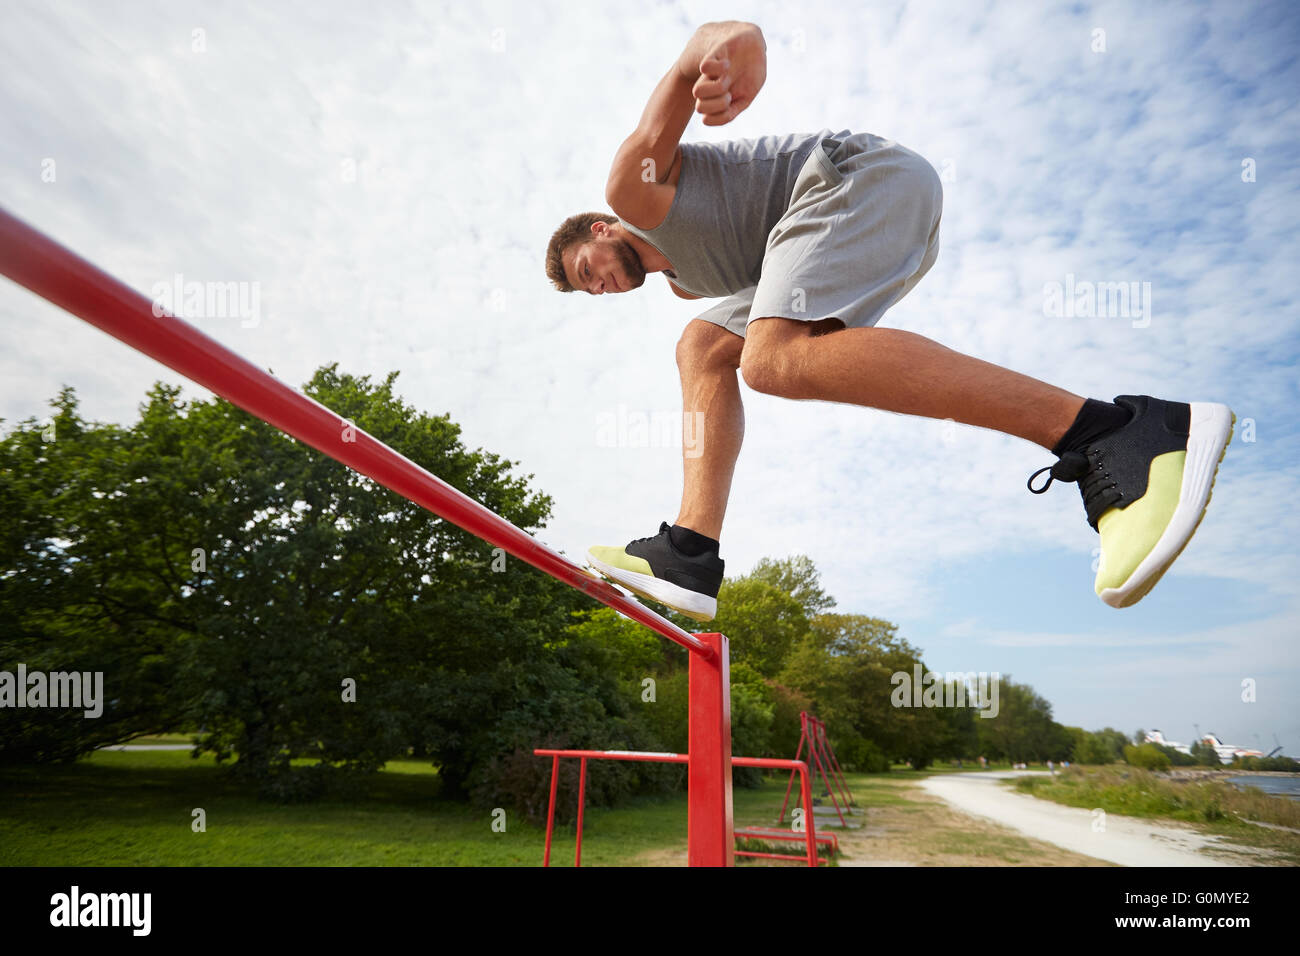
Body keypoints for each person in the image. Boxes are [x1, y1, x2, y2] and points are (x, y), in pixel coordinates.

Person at [544, 20, 1233, 622]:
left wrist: (730, 52)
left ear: (604, 229)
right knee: (702, 345)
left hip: (855, 180)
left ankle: (1112, 430)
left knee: (771, 360)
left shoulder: (635, 187)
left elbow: (698, 52)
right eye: (590, 292)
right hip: (846, 229)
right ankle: (690, 552)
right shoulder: (684, 286)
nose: (600, 286)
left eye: (587, 269)